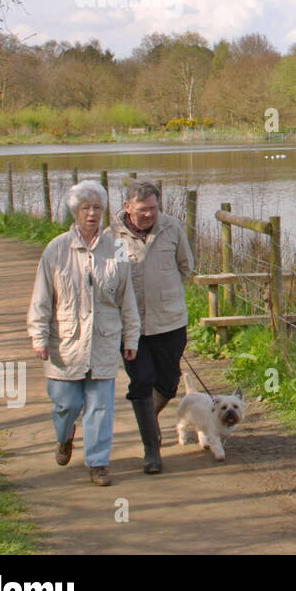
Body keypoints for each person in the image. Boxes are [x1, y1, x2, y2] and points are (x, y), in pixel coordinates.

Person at [27, 180, 140, 486]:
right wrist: (38, 337)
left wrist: (131, 338)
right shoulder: (56, 249)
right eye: (85, 208)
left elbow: (126, 299)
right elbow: (41, 298)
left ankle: (98, 463)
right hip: (65, 342)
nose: (92, 214)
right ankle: (64, 437)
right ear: (74, 211)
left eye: (97, 208)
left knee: (100, 406)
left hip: (103, 340)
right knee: (66, 404)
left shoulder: (116, 248)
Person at [110, 178, 193, 474]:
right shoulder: (113, 238)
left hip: (170, 322)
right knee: (142, 381)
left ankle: (148, 420)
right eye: (143, 209)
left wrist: (164, 293)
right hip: (131, 327)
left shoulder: (172, 228)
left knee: (169, 383)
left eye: (154, 209)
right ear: (127, 207)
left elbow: (187, 267)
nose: (149, 214)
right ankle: (151, 448)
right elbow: (111, 281)